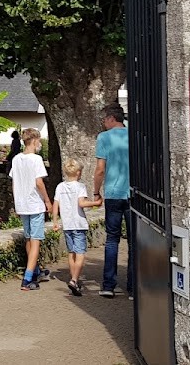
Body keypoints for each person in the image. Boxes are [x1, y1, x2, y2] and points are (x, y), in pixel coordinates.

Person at [94, 102, 133, 299]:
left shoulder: (104, 137)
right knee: (134, 241)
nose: (103, 123)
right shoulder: (133, 135)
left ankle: (109, 285)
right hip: (133, 194)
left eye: (104, 119)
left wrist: (96, 192)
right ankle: (133, 287)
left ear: (111, 118)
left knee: (112, 240)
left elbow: (100, 169)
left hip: (113, 193)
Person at [51, 158, 102, 296]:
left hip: (67, 224)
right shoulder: (80, 187)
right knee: (80, 253)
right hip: (79, 224)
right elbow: (81, 203)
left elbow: (56, 204)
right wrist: (95, 203)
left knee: (71, 253)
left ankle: (74, 279)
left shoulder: (60, 187)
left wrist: (55, 221)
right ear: (78, 172)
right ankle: (74, 280)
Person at [9, 128, 52, 290]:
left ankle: (35, 271)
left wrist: (17, 201)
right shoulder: (36, 159)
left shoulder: (16, 159)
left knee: (28, 238)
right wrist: (47, 200)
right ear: (34, 141)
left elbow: (14, 182)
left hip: (22, 204)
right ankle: (27, 279)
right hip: (35, 204)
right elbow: (39, 182)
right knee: (36, 241)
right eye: (39, 141)